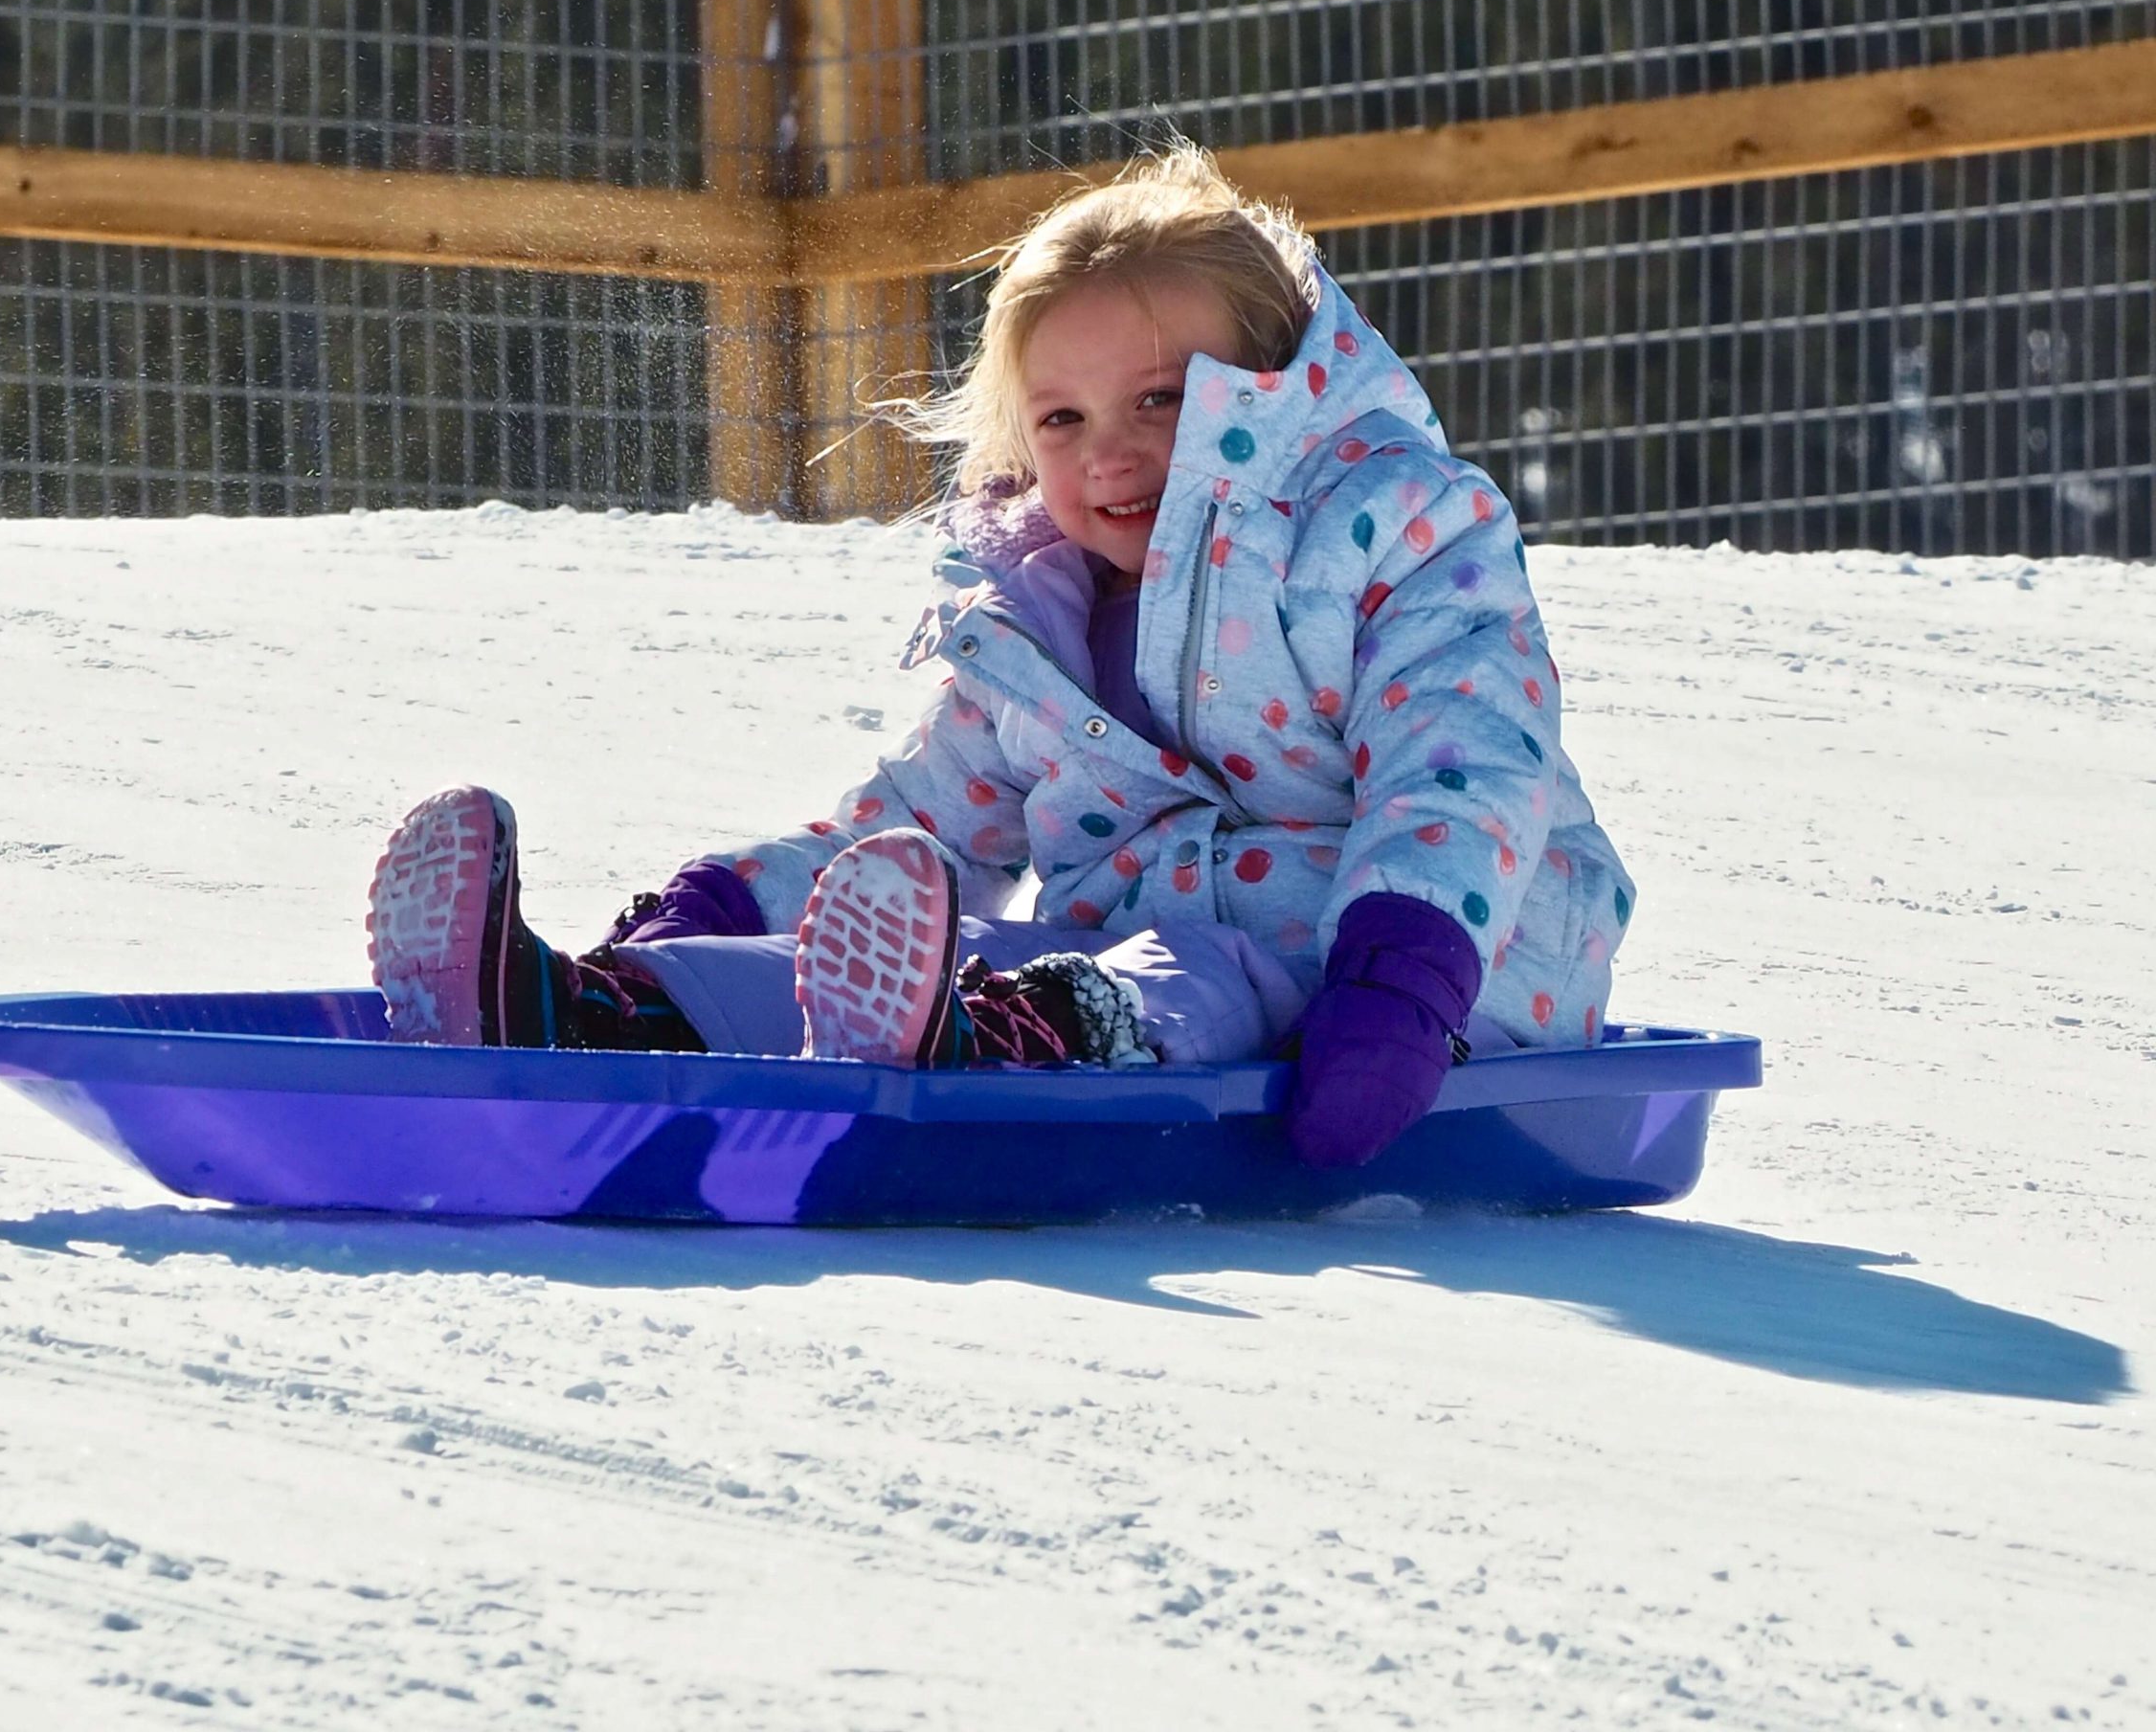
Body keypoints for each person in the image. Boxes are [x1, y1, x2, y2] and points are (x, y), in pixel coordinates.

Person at [366, 143, 1635, 1168]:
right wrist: (730, 907)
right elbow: (919, 823)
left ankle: (987, 1040)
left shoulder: (1394, 528)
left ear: (1271, 392)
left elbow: (1460, 768)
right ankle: (597, 1011)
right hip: (1132, 982)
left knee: (1181, 970)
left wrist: (1402, 982)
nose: (1107, 454)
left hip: (1438, 990)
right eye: (1061, 419)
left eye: (1161, 400)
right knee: (936, 950)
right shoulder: (1041, 621)